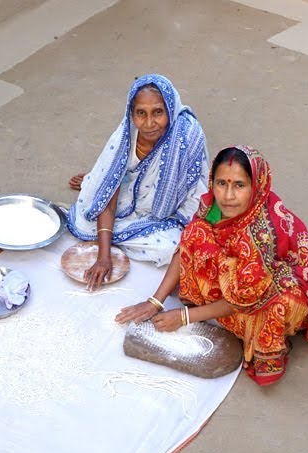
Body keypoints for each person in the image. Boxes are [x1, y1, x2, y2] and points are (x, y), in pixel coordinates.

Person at [115, 146, 308, 386]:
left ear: (255, 186)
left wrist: (185, 317)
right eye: (221, 184)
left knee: (277, 306)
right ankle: (211, 301)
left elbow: (244, 299)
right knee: (196, 232)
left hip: (277, 291)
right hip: (241, 278)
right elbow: (187, 244)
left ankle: (250, 327)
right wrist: (155, 301)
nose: (228, 196)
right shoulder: (213, 206)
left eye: (239, 185)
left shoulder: (262, 234)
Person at [66, 73, 209, 290]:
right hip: (126, 192)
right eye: (141, 113)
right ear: (131, 114)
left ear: (170, 109)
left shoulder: (187, 135)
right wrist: (104, 258)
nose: (150, 123)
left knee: (173, 248)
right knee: (83, 221)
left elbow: (195, 192)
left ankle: (97, 183)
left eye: (158, 112)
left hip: (171, 208)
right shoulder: (125, 135)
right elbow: (108, 200)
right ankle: (97, 178)